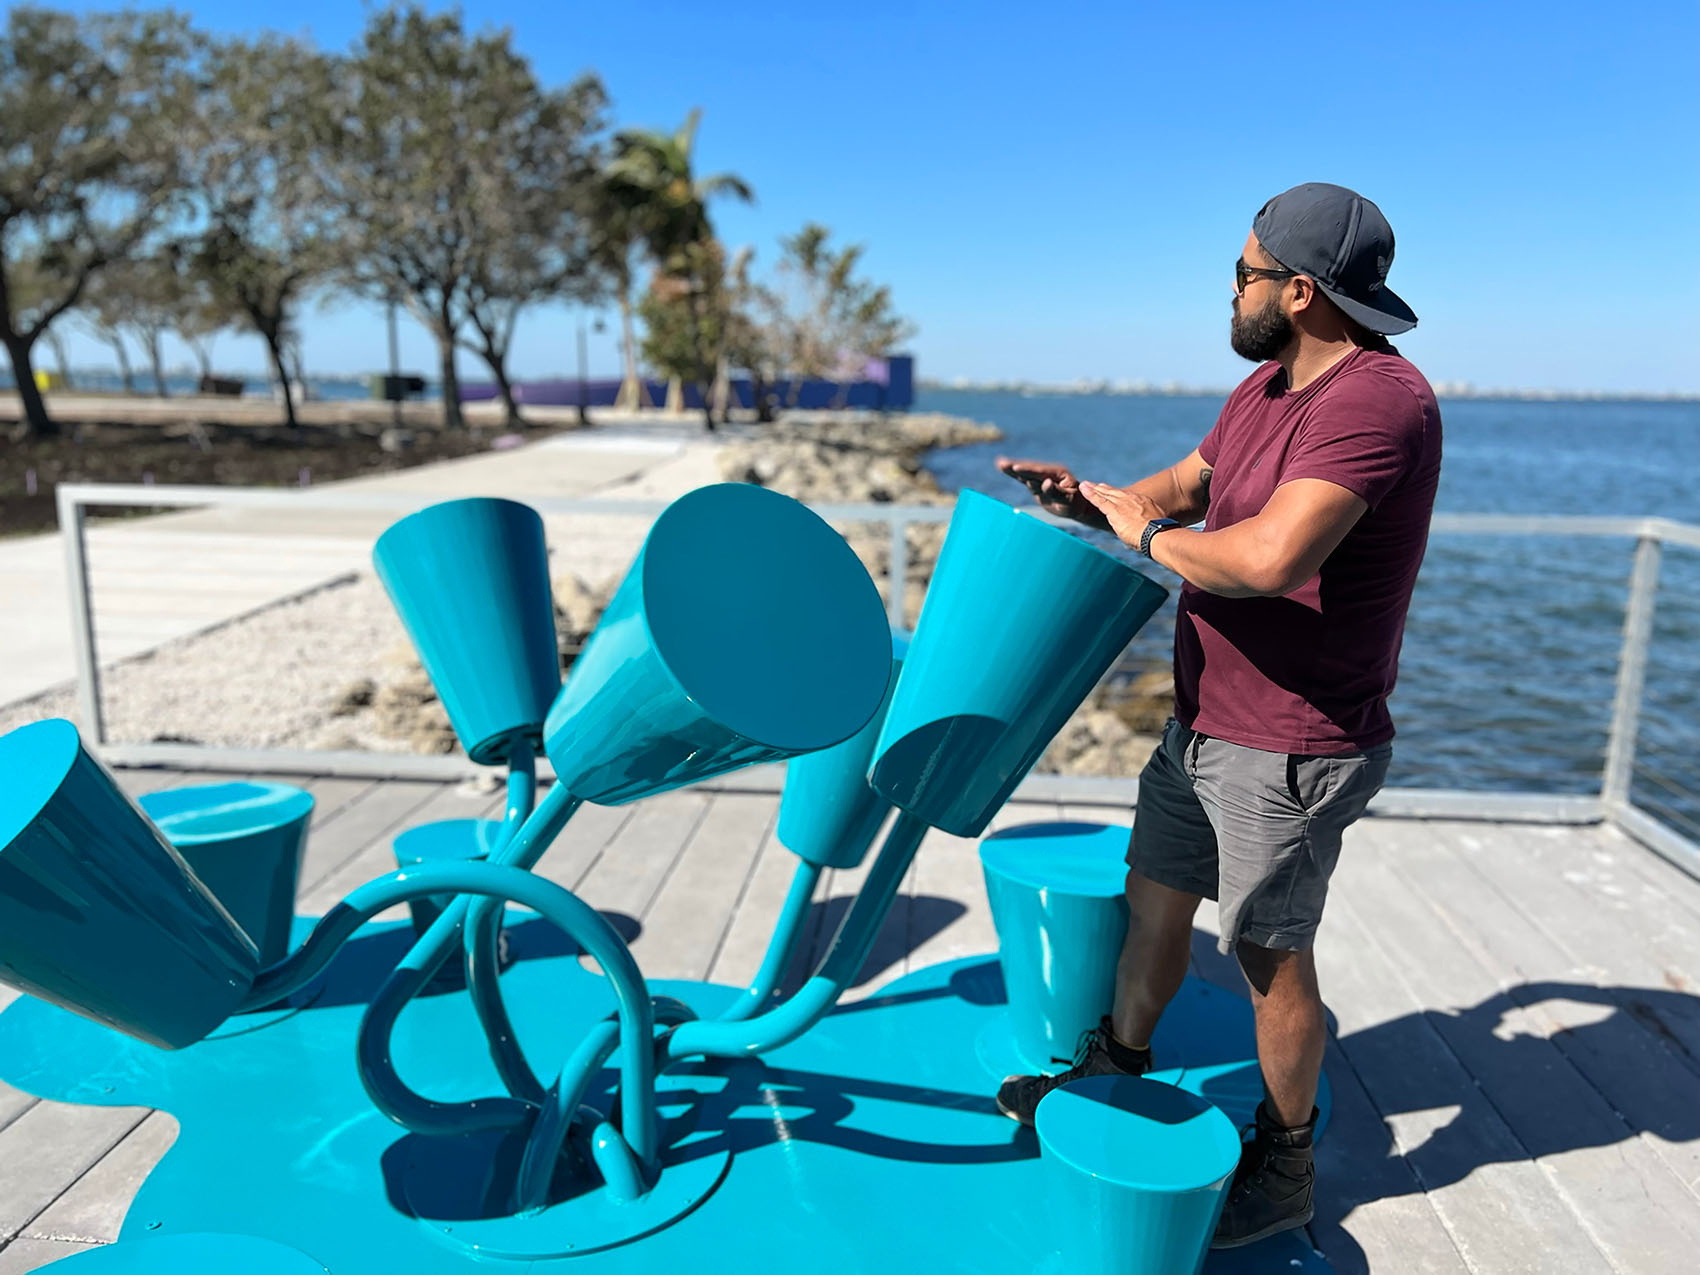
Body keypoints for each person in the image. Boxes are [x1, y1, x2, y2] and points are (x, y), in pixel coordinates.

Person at [994, 182, 1442, 1250]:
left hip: (1292, 743)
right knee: (1154, 905)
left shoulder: (1379, 403)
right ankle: (1113, 1072)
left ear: (1295, 290)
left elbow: (1267, 559)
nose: (1227, 290)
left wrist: (1145, 542)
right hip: (1201, 722)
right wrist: (1093, 503)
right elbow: (1180, 491)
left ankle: (1283, 1164)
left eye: (1239, 273)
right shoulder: (1261, 391)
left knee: (1266, 960)